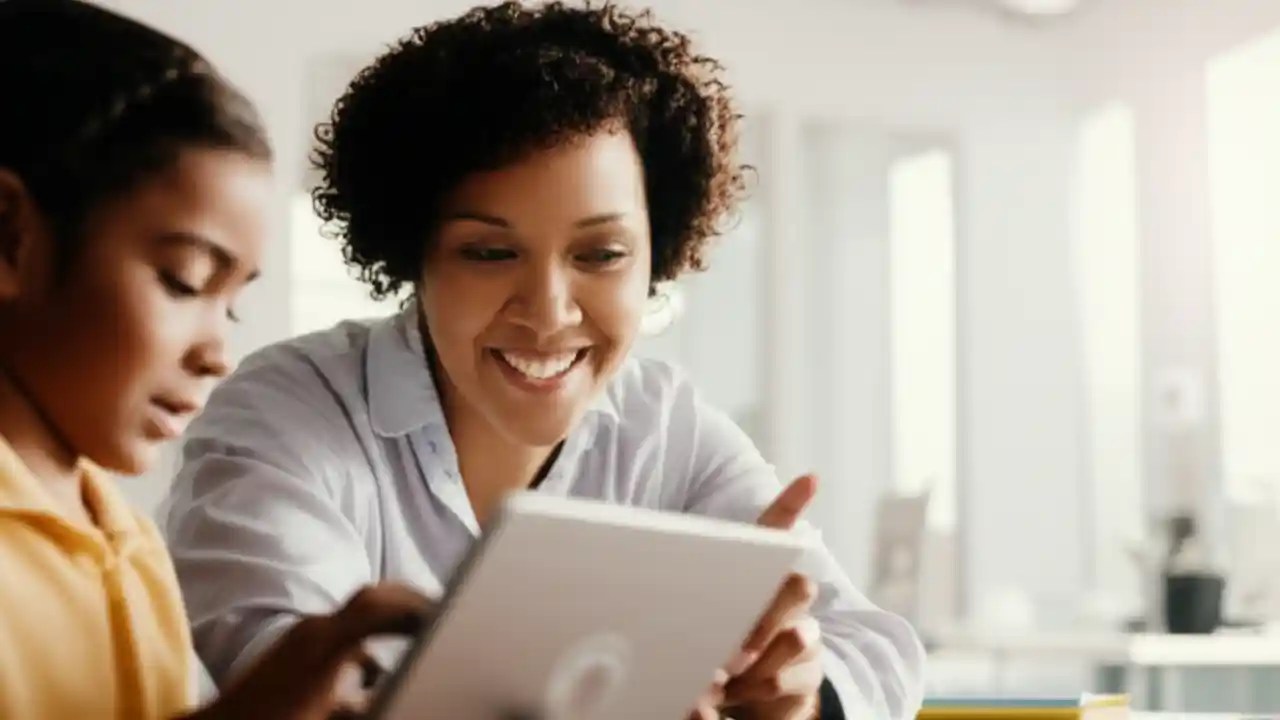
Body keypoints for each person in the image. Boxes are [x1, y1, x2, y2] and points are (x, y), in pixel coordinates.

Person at [163, 2, 926, 718]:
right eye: (490, 252)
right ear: (413, 252)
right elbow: (285, 671)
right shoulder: (286, 414)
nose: (549, 312)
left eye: (601, 253)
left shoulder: (665, 426)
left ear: (656, 255)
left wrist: (801, 688)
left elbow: (880, 650)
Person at [0, 2, 430, 718]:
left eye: (229, 304)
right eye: (186, 281)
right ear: (10, 235)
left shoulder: (130, 543)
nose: (217, 355)